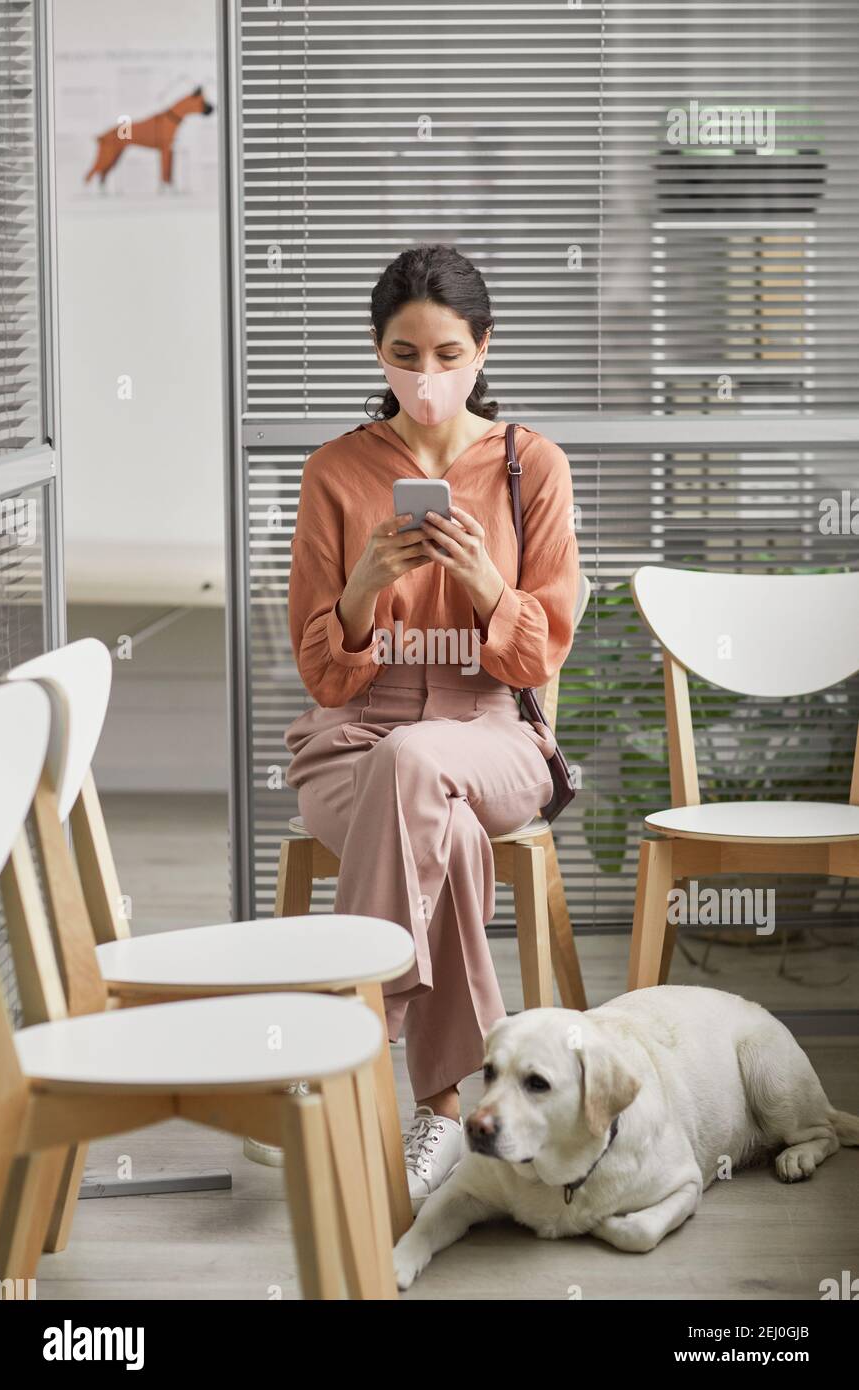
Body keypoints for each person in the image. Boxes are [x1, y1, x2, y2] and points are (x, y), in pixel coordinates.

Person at [284, 244, 579, 1207]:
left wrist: (485, 581)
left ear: (483, 349)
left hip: (492, 735)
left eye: (448, 355)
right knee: (431, 814)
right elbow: (323, 677)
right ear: (378, 355)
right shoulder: (334, 472)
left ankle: (346, 1037)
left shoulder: (533, 467)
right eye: (405, 356)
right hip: (352, 746)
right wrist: (364, 589)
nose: (426, 378)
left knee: (426, 762)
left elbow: (540, 659)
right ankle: (449, 1108)